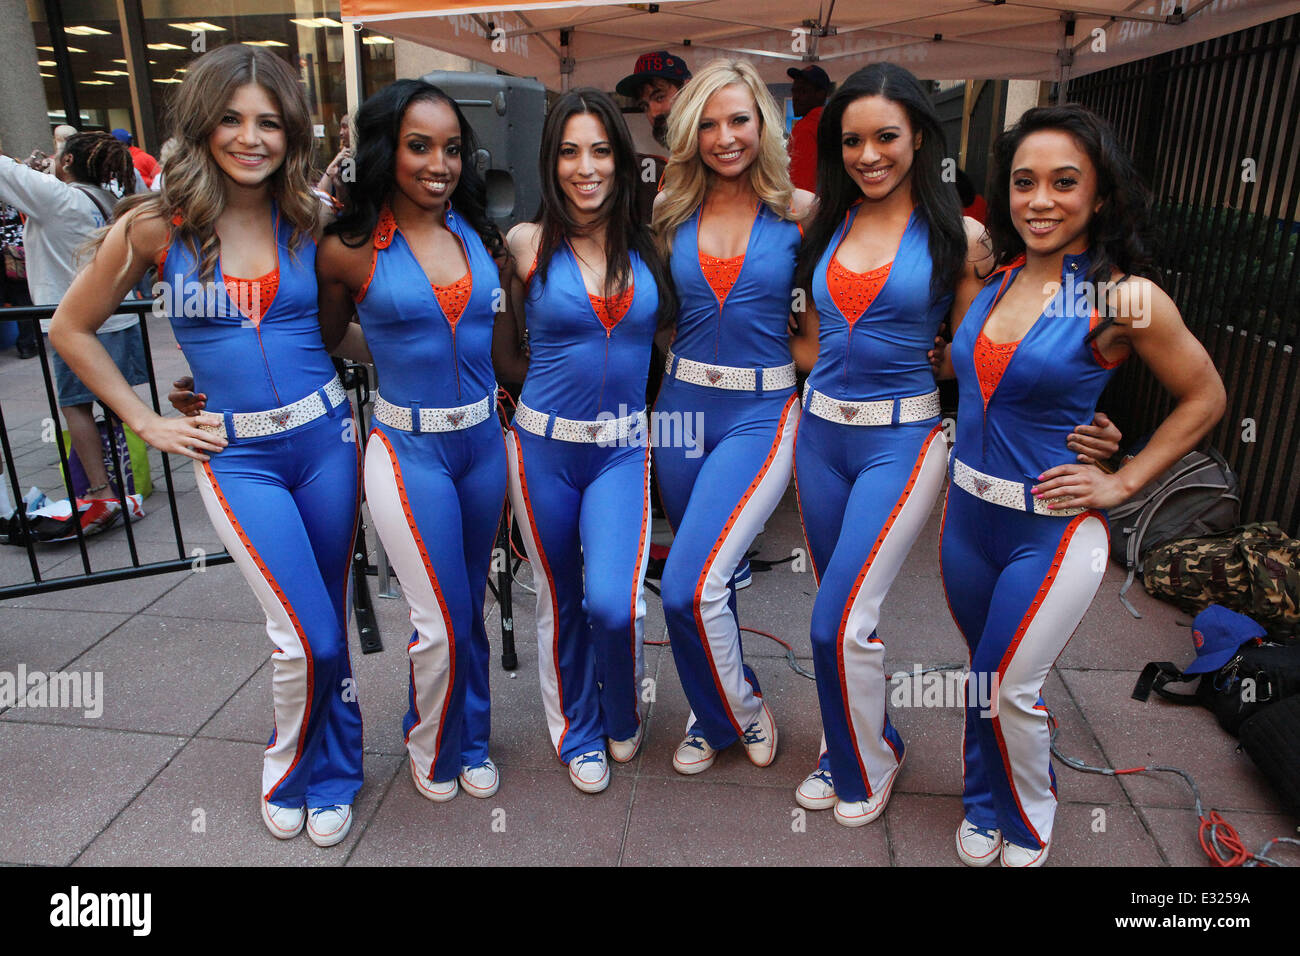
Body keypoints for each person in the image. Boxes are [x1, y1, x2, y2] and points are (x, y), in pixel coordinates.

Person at [787, 64, 1122, 828]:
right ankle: (854, 737)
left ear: (919, 140)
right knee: (843, 613)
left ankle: (865, 763)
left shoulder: (963, 237)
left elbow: (981, 364)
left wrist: (1090, 426)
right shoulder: (823, 227)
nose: (869, 154)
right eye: (852, 141)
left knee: (834, 621)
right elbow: (808, 347)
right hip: (819, 435)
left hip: (903, 440)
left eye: (886, 137)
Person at [50, 44, 365, 849]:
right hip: (239, 458)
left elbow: (357, 322)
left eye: (267, 121)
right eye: (231, 118)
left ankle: (337, 764)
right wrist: (146, 420)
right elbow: (70, 329)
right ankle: (288, 766)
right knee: (306, 633)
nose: (250, 137)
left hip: (329, 441)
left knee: (324, 612)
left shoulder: (308, 219)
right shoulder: (157, 229)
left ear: (291, 132)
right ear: (200, 124)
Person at [933, 103, 1224, 866]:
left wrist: (1122, 479)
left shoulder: (1124, 297)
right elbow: (984, 383)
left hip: (1050, 527)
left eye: (1065, 183)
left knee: (1004, 680)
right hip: (965, 519)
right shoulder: (990, 280)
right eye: (1025, 182)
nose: (1040, 200)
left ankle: (1031, 814)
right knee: (984, 672)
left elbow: (1206, 397)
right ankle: (981, 799)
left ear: (1100, 196)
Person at [317, 80, 511, 803]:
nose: (440, 164)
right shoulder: (347, 246)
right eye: (419, 146)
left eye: (453, 148)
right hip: (407, 452)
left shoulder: (476, 231)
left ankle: (475, 737)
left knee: (471, 606)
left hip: (484, 447)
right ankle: (430, 745)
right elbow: (326, 338)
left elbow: (486, 339)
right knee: (436, 620)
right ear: (385, 150)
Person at [501, 88, 676, 793]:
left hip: (621, 452)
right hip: (541, 448)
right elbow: (493, 348)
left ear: (623, 159)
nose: (586, 167)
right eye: (570, 151)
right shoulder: (523, 243)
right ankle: (577, 730)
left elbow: (678, 342)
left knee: (614, 601)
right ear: (551, 160)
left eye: (601, 150)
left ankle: (621, 708)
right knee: (559, 596)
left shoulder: (651, 243)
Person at [650, 58, 814, 775]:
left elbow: (829, 318)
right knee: (707, 573)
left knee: (689, 582)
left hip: (761, 409)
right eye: (708, 123)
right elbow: (654, 316)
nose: (724, 137)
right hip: (680, 410)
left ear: (766, 125)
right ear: (689, 132)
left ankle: (739, 709)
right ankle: (708, 703)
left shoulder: (803, 213)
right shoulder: (667, 212)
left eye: (738, 120)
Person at [0, 130, 149, 504]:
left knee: (75, 404)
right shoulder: (109, 198)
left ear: (67, 162)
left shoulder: (58, 198)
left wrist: (29, 168)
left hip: (75, 323)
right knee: (117, 400)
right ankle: (133, 479)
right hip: (120, 316)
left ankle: (101, 490)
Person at [616, 50, 691, 223]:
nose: (653, 112)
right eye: (644, 106)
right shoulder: (676, 164)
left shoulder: (713, 152)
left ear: (688, 90)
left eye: (659, 97)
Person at [786, 65, 831, 193]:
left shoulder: (806, 127)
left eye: (803, 92)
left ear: (821, 94)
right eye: (794, 92)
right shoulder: (833, 121)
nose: (796, 98)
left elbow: (801, 186)